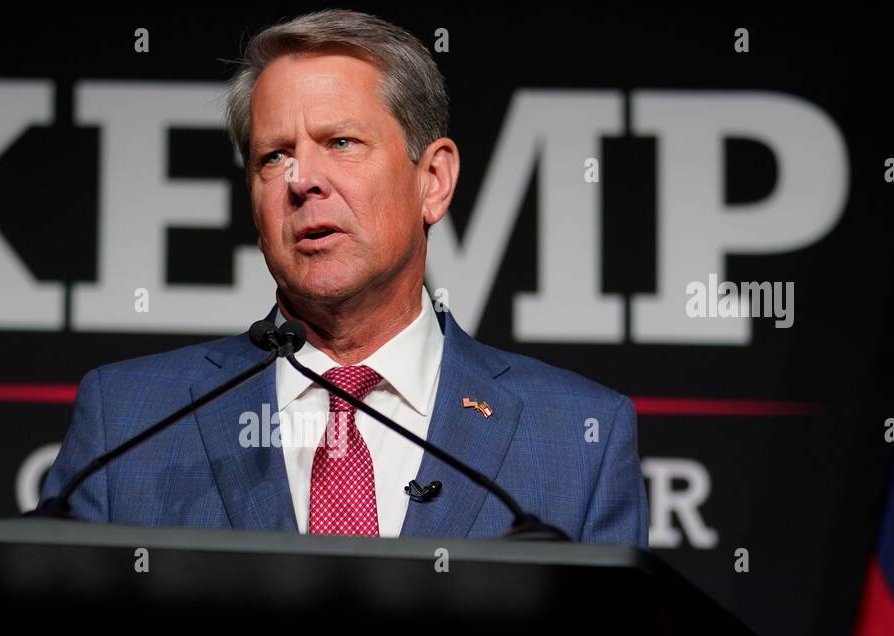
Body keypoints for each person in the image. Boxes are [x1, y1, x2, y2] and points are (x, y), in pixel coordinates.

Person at [41, 9, 648, 544]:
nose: (302, 180)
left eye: (341, 142)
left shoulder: (578, 439)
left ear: (433, 180)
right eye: (274, 156)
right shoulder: (128, 421)